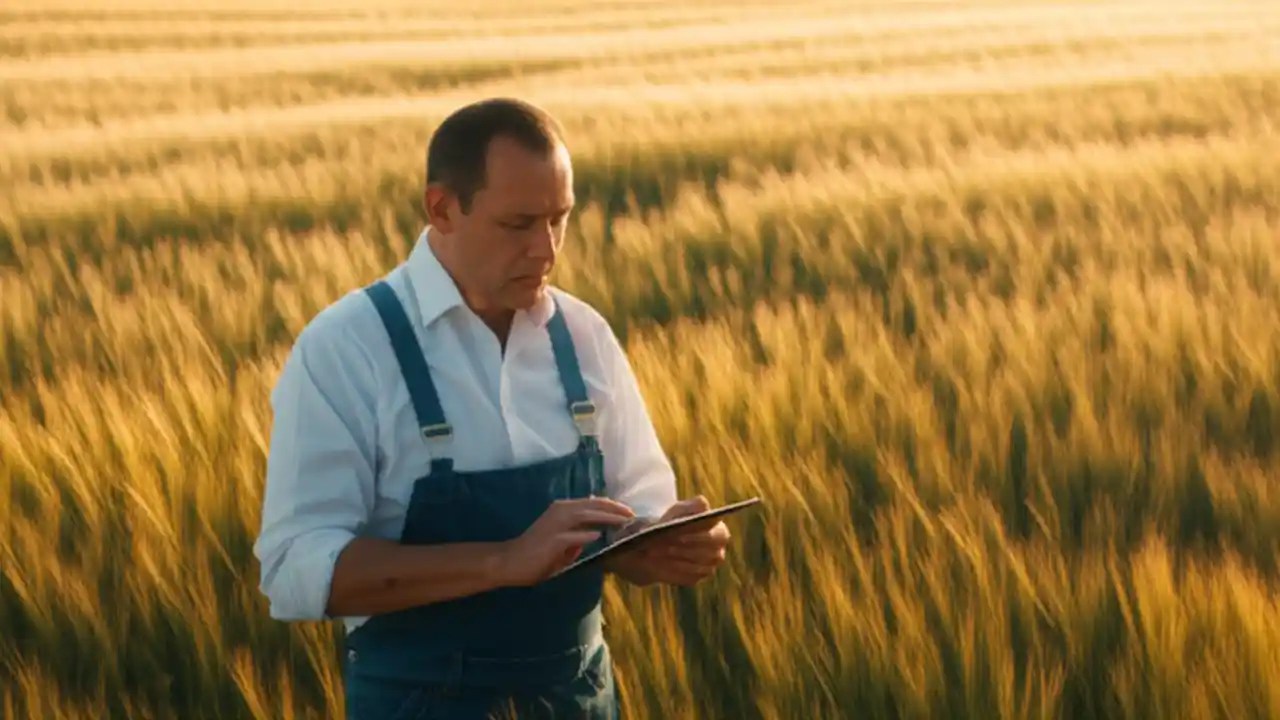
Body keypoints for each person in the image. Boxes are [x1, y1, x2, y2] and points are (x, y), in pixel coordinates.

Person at [252, 97, 732, 720]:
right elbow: (295, 570)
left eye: (560, 220)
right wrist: (503, 561)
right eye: (519, 224)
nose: (547, 250)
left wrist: (659, 544)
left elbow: (640, 507)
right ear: (442, 208)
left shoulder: (585, 336)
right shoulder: (347, 347)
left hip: (579, 701)